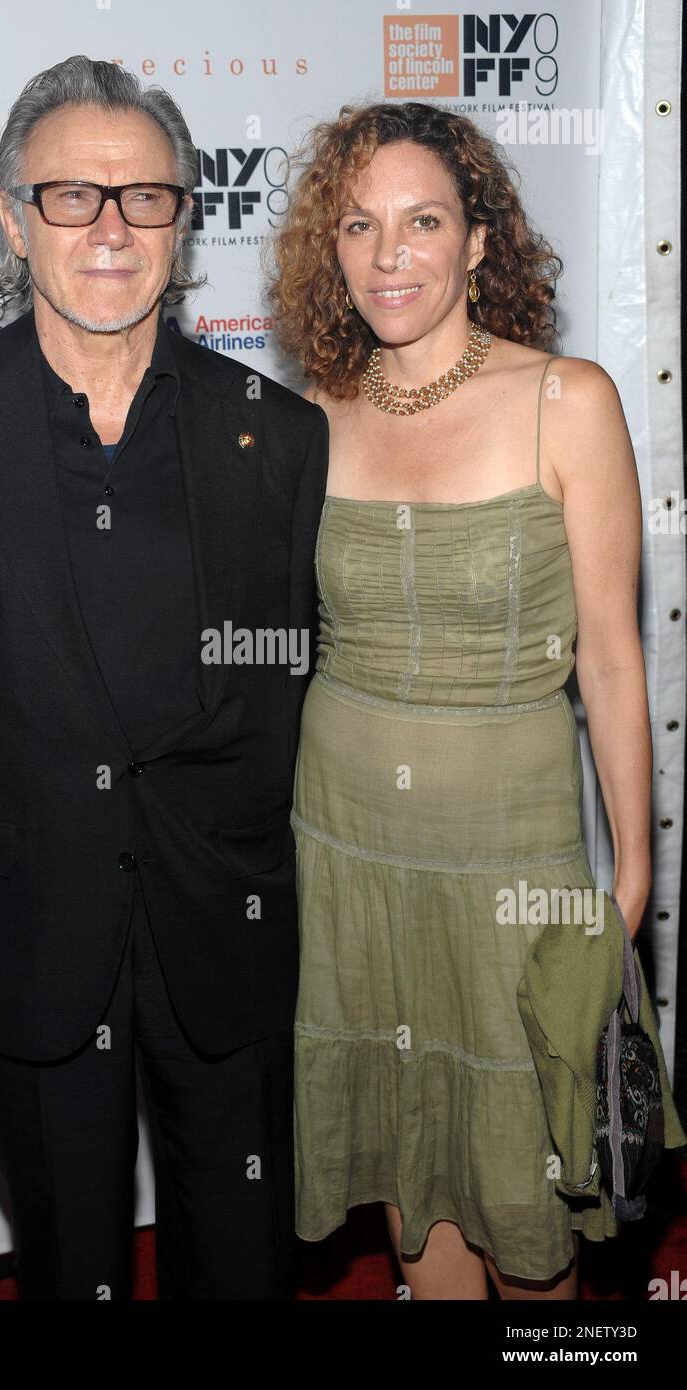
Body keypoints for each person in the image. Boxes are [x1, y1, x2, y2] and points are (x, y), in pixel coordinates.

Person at [0, 56, 328, 1300]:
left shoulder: (276, 432)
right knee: (68, 1270)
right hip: (24, 933)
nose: (111, 227)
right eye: (72, 196)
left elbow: (307, 686)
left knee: (247, 1270)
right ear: (12, 217)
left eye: (145, 196)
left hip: (229, 927)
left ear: (184, 217)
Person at [265, 101, 652, 1299]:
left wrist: (632, 881)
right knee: (413, 1176)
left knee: (531, 1204)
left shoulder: (566, 400)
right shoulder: (311, 422)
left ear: (481, 241)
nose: (390, 255)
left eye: (423, 221)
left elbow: (611, 658)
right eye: (360, 225)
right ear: (329, 250)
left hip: (512, 860)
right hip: (345, 841)